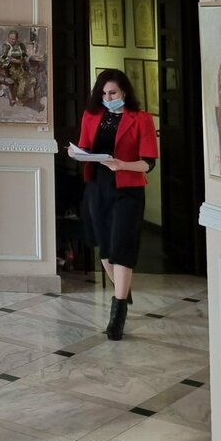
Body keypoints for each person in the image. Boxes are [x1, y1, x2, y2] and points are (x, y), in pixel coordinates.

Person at [76, 67, 158, 340]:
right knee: (105, 250)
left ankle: (118, 315)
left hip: (128, 188)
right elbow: (86, 148)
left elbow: (149, 163)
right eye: (103, 93)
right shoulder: (91, 115)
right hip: (98, 187)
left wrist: (122, 164)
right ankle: (124, 287)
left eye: (112, 92)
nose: (108, 97)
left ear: (124, 91)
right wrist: (77, 153)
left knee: (122, 246)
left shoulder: (141, 119)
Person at [0, 29, 33, 106]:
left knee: (31, 78)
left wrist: (26, 58)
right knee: (23, 79)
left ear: (17, 39)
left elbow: (24, 55)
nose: (12, 40)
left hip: (21, 67)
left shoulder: (20, 45)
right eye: (10, 38)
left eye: (14, 39)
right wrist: (12, 60)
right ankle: (19, 97)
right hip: (9, 69)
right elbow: (1, 59)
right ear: (8, 38)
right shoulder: (5, 46)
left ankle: (21, 96)